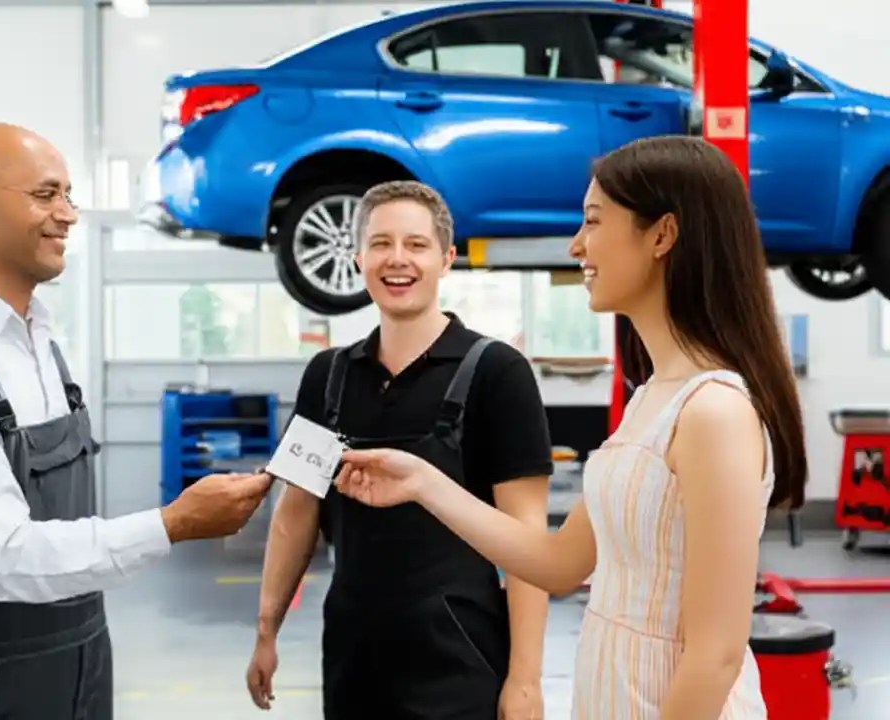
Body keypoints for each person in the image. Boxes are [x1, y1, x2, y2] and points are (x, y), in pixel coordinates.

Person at [333, 136, 808, 720]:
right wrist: (422, 483)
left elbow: (715, 656)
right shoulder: (652, 401)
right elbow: (561, 562)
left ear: (661, 235)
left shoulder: (713, 412)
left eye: (592, 221)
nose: (576, 244)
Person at [0, 122, 272, 720]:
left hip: (79, 663)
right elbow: (3, 558)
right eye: (45, 194)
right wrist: (173, 524)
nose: (68, 214)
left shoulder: (41, 345)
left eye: (68, 195)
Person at [246, 181, 553, 719]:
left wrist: (525, 681)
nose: (397, 259)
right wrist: (266, 630)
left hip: (460, 658)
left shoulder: (497, 373)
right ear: (360, 257)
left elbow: (527, 538)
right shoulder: (328, 378)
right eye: (381, 243)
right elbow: (295, 513)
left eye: (416, 245)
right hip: (352, 657)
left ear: (446, 259)